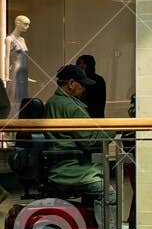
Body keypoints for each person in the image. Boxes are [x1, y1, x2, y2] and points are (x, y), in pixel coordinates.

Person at [42, 65, 108, 198]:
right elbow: (89, 142)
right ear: (71, 83)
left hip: (57, 166)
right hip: (72, 168)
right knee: (108, 194)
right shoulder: (72, 107)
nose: (84, 89)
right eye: (82, 85)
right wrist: (111, 131)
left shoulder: (52, 102)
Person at [74, 54, 107, 118]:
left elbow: (97, 104)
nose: (79, 66)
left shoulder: (98, 80)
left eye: (83, 63)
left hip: (93, 117)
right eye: (78, 63)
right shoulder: (77, 79)